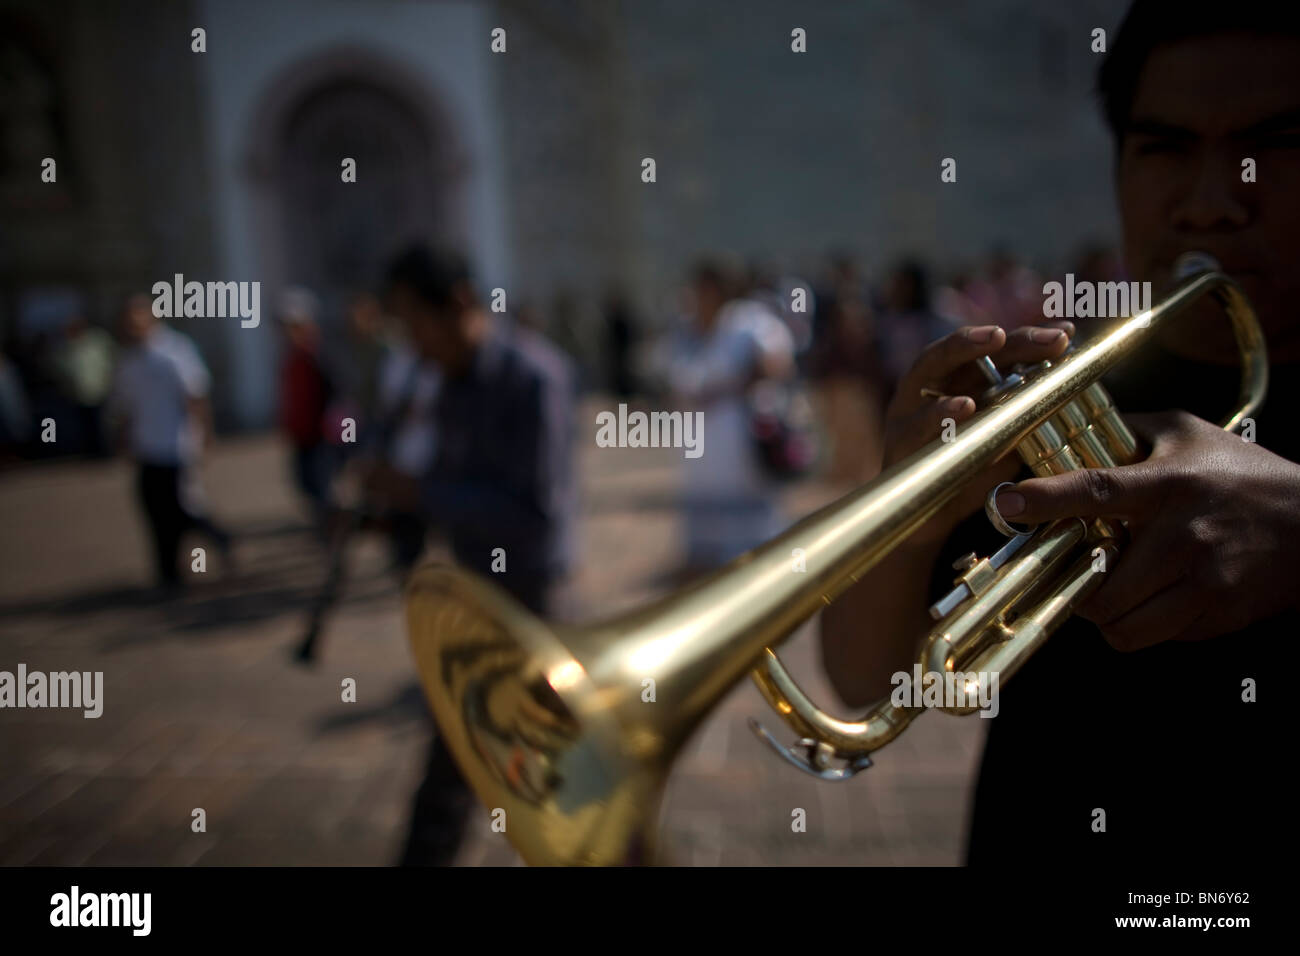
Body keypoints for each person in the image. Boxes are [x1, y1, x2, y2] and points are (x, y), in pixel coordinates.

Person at [820, 0, 1297, 867]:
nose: (1212, 202)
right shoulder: (1056, 392)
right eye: (1164, 148)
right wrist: (912, 514)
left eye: (1274, 145)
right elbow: (865, 683)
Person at [367, 243, 578, 865]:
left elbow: (533, 516)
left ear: (459, 303)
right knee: (455, 768)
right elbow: (448, 484)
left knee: (533, 771)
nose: (411, 342)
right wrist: (384, 510)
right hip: (472, 593)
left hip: (527, 604)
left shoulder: (532, 378)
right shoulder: (444, 382)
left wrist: (419, 490)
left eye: (415, 322)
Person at [664, 259, 796, 572]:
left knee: (751, 540)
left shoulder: (749, 322)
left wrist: (732, 385)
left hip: (740, 440)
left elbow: (779, 363)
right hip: (700, 444)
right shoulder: (685, 331)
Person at [109, 294, 231, 590]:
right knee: (154, 510)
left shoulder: (175, 351)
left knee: (183, 509)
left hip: (176, 446)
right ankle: (168, 573)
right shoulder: (128, 361)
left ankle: (219, 540)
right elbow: (125, 407)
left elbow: (196, 395)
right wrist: (124, 441)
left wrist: (203, 435)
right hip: (147, 448)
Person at [276, 288, 336, 520]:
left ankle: (332, 528)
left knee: (321, 486)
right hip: (300, 434)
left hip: (320, 436)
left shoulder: (319, 356)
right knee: (304, 484)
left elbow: (335, 396)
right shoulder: (290, 357)